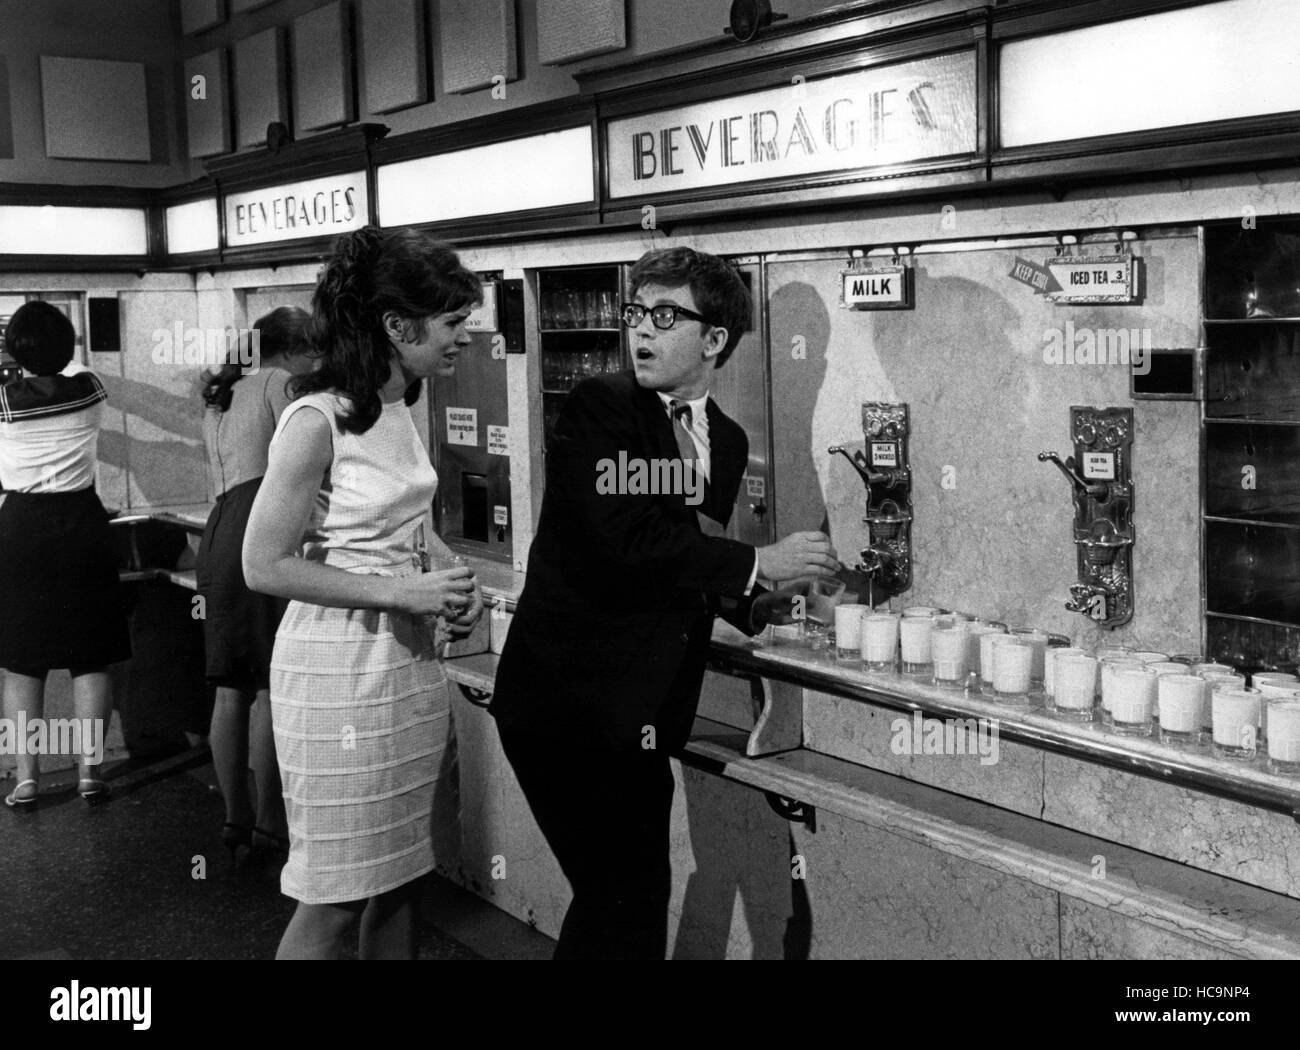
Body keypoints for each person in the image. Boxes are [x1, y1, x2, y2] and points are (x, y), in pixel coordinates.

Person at [490, 246, 839, 959]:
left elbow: (684, 553)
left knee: (633, 896)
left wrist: (753, 602)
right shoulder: (605, 409)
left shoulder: (729, 443)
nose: (639, 331)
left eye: (664, 315)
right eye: (636, 313)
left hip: (643, 715)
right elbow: (627, 537)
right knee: (619, 898)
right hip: (568, 707)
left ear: (714, 340)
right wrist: (754, 561)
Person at [242, 226, 484, 960]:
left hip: (406, 670)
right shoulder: (316, 421)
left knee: (405, 877)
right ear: (396, 325)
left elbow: (407, 521)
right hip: (337, 672)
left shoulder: (400, 405)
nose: (463, 339)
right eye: (452, 323)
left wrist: (447, 580)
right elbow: (264, 565)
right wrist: (403, 594)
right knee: (337, 898)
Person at [196, 306, 315, 862]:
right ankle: (271, 819)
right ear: (289, 351)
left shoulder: (223, 389)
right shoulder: (280, 384)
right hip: (258, 528)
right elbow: (305, 461)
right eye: (312, 351)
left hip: (218, 533)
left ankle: (234, 815)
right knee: (270, 683)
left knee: (230, 687)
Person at [0, 302, 130, 808]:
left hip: (22, 527)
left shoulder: (6, 402)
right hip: (82, 523)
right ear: (69, 345)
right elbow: (67, 370)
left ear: (15, 352)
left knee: (20, 663)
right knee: (90, 656)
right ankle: (90, 773)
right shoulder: (91, 388)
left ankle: (26, 778)